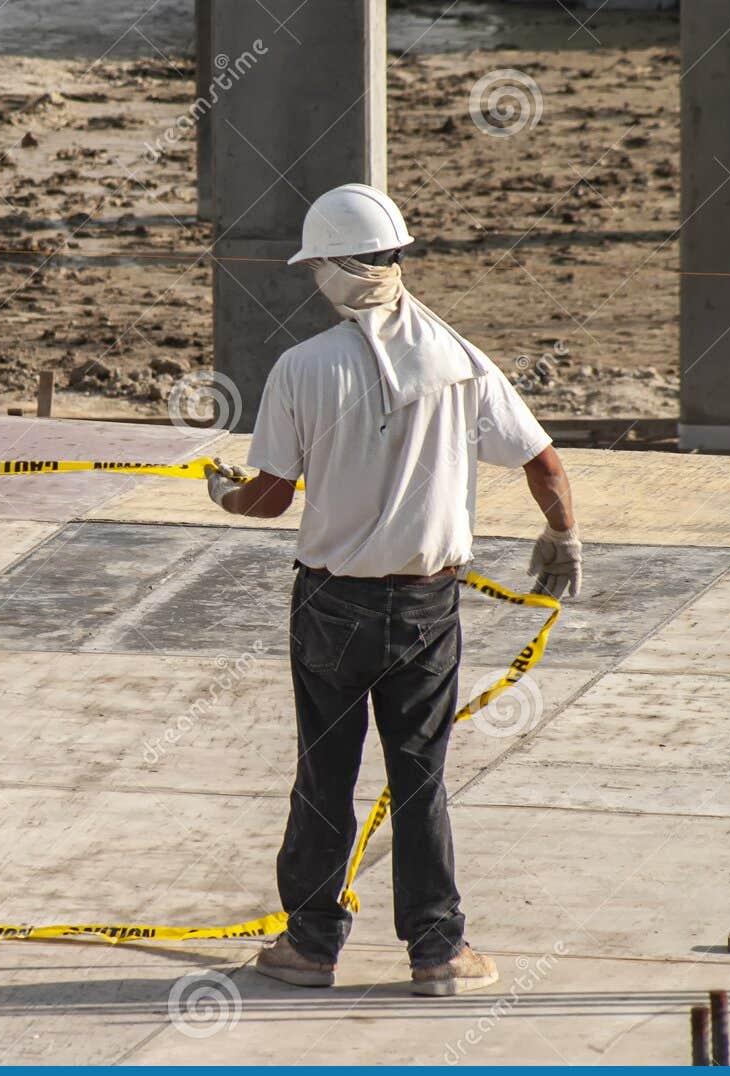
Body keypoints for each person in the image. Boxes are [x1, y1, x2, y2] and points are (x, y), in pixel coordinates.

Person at [205, 183, 580, 996]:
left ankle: (309, 947)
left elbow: (268, 498)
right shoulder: (459, 361)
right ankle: (439, 954)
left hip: (332, 607)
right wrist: (562, 534)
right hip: (424, 609)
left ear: (335, 272)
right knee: (419, 781)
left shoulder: (301, 369)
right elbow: (542, 461)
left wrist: (224, 493)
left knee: (324, 777)